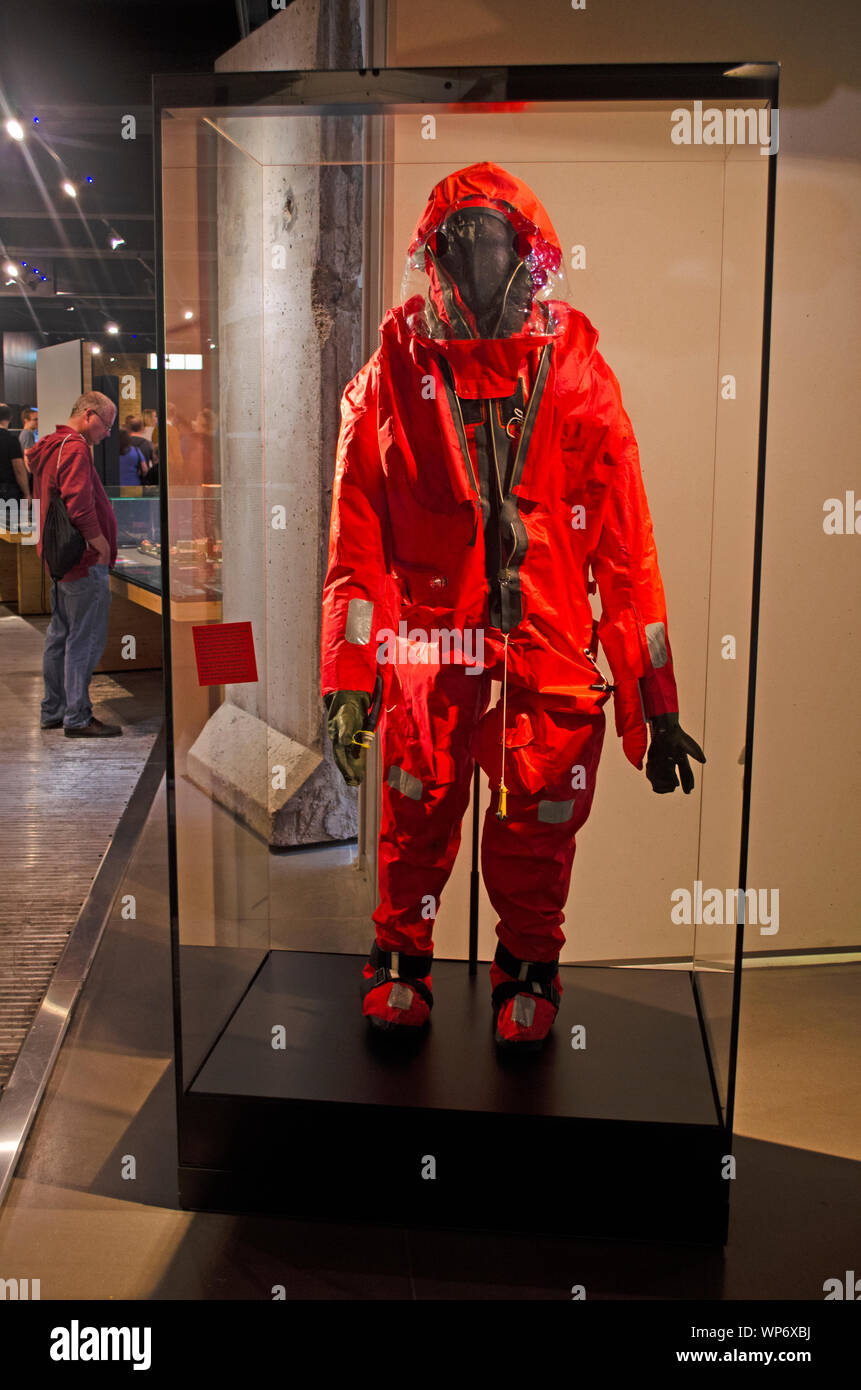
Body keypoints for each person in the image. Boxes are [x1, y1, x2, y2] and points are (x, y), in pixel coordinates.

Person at [321, 162, 705, 1053]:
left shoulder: (576, 377)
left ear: (525, 257)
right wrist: (350, 676)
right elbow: (358, 547)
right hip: (430, 648)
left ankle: (529, 969)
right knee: (417, 808)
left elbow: (623, 549)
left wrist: (658, 698)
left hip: (548, 651)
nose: (477, 267)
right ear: (437, 259)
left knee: (538, 823)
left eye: (493, 247)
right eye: (461, 248)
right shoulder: (388, 381)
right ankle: (400, 960)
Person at [27, 390, 123, 737]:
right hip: (82, 560)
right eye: (106, 424)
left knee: (60, 635)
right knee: (84, 637)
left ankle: (54, 709)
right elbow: (79, 506)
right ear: (88, 414)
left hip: (59, 558)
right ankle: (77, 717)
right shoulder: (76, 447)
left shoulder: (50, 445)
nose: (108, 433)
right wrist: (100, 544)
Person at [0, 403, 30, 510]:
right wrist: (27, 493)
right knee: (10, 525)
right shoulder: (10, 440)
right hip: (7, 493)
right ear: (10, 418)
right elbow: (18, 469)